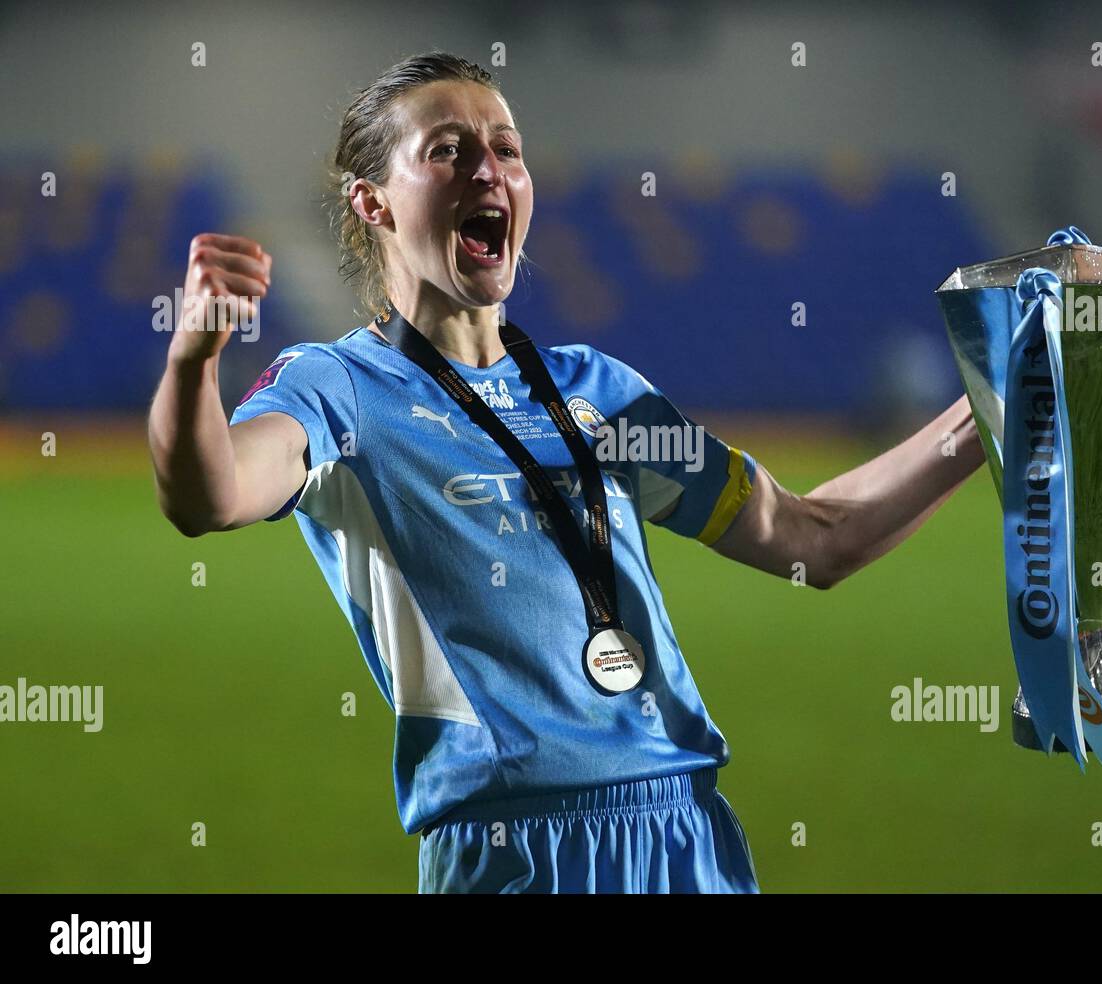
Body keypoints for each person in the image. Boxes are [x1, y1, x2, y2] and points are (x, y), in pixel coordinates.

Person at [147, 51, 985, 894]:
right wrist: (193, 360)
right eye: (448, 152)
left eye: (506, 149)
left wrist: (996, 401)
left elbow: (812, 536)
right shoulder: (340, 390)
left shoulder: (602, 395)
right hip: (516, 852)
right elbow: (207, 494)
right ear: (373, 203)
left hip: (683, 834)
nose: (489, 170)